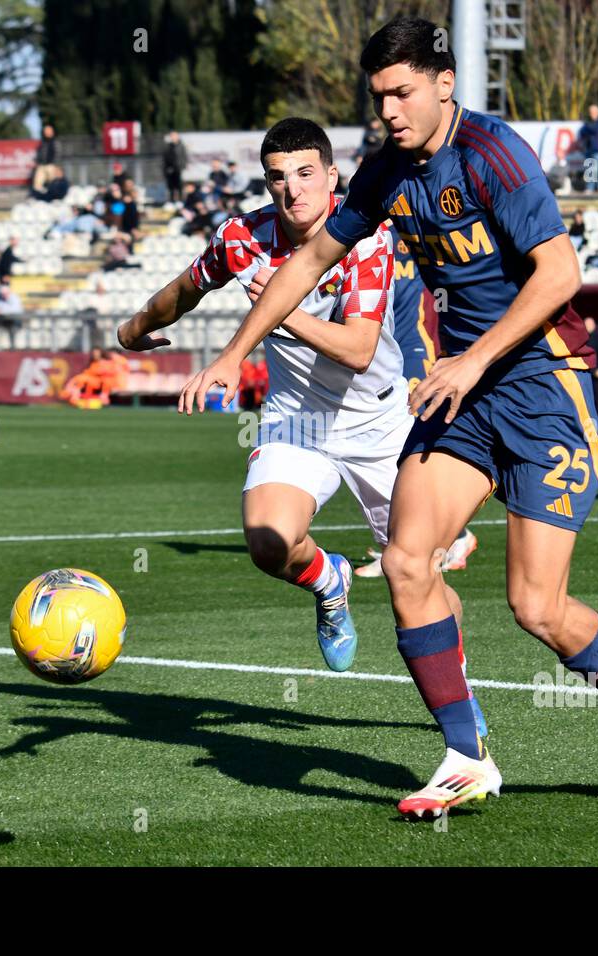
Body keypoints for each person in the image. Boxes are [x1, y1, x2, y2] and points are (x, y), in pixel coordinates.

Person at [177, 18, 598, 815]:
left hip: (547, 387)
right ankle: (465, 754)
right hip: (461, 394)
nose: (391, 111)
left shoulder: (493, 155)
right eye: (379, 97)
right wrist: (237, 352)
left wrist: (475, 357)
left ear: (445, 83)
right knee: (408, 563)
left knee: (536, 607)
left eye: (403, 92)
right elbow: (307, 261)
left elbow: (560, 273)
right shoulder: (382, 172)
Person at [118, 117, 490, 733]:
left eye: (306, 174)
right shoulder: (244, 239)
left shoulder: (365, 237)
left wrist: (278, 307)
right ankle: (331, 581)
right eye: (278, 178)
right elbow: (186, 289)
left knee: (417, 572)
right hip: (298, 421)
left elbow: (358, 349)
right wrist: (133, 329)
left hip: (380, 424)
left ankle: (458, 693)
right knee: (268, 540)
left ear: (332, 175)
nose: (293, 191)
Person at [355, 221, 479, 578]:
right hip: (378, 355)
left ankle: (449, 537)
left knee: (407, 452)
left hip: (409, 353)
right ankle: (404, 541)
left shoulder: (409, 232)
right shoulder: (367, 233)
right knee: (385, 448)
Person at [577, 103, 598, 193]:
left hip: (596, 149)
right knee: (590, 169)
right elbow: (582, 132)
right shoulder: (587, 123)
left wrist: (586, 124)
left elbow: (594, 129)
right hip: (588, 148)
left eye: (593, 112)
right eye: (590, 112)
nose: (592, 114)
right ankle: (590, 187)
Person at [162, 131, 188, 205]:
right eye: (172, 136)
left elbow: (184, 157)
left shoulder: (181, 146)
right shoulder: (168, 146)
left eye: (174, 136)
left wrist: (182, 166)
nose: (173, 138)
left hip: (178, 169)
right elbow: (165, 158)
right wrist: (166, 168)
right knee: (171, 186)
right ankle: (171, 201)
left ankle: (180, 201)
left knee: (179, 185)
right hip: (170, 169)